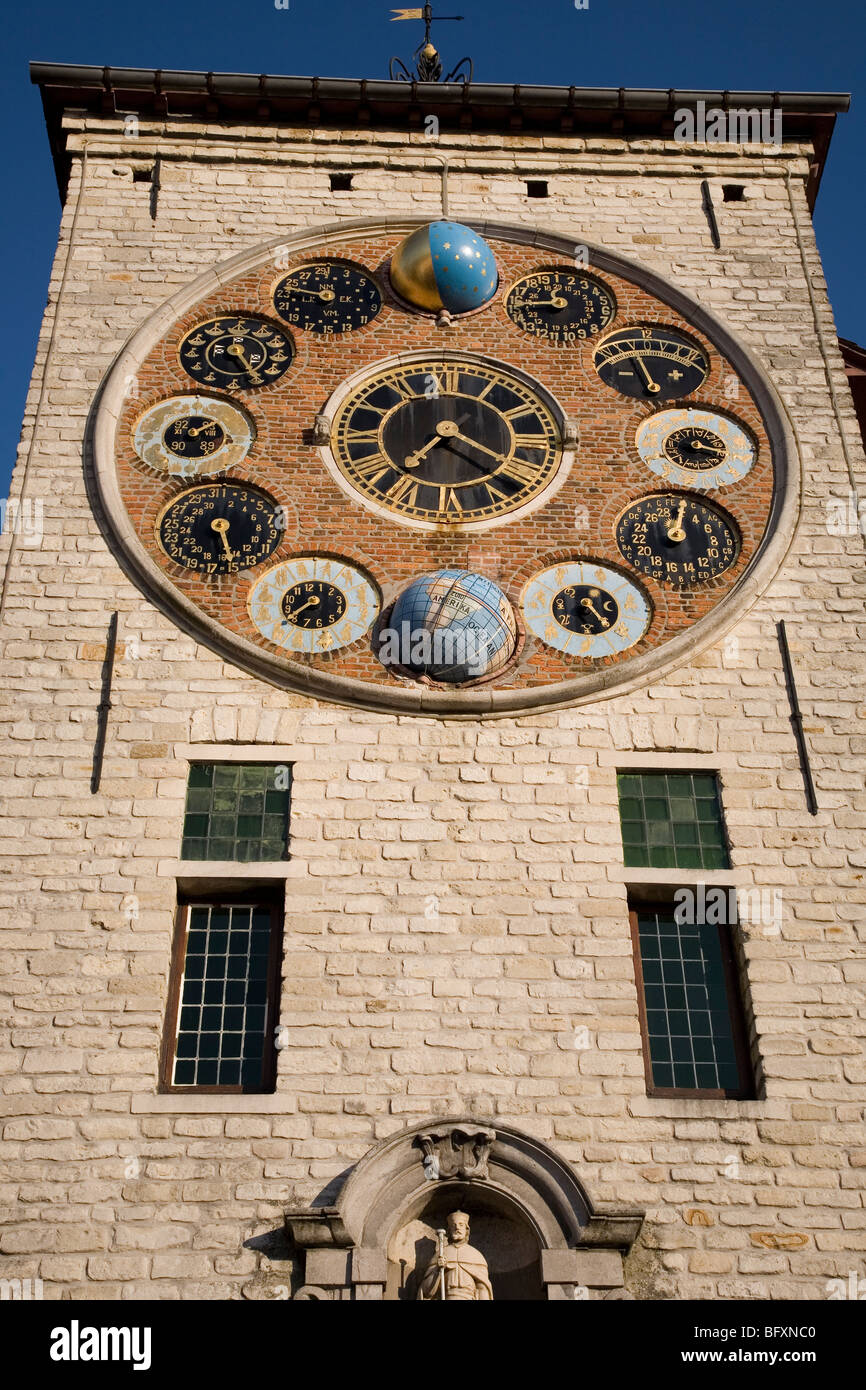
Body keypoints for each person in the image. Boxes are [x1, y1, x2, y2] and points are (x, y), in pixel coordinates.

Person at [416, 1210, 493, 1300]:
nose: (457, 1228)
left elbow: (482, 1288)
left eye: (461, 1225)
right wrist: (437, 1270)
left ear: (466, 1229)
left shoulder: (476, 1256)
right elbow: (426, 1292)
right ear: (449, 1230)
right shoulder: (441, 1254)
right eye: (454, 1225)